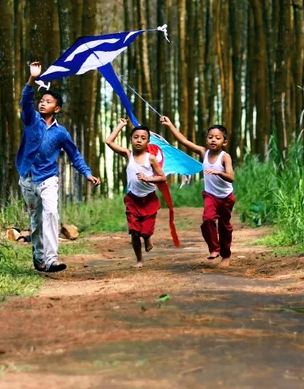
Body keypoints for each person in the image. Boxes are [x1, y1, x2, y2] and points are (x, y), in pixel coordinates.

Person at [17, 61, 101, 273]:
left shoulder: (61, 133)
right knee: (35, 221)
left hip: (48, 178)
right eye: (42, 100)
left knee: (51, 214)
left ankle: (53, 259)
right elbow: (25, 102)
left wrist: (88, 173)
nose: (42, 104)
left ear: (57, 108)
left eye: (48, 101)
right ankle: (39, 257)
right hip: (27, 179)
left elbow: (75, 155)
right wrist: (32, 78)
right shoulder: (31, 120)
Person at [159, 116, 236, 267]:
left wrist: (218, 173)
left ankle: (226, 256)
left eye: (217, 138)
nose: (213, 140)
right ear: (207, 140)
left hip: (226, 197)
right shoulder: (204, 152)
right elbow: (184, 142)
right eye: (210, 137)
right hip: (210, 195)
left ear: (224, 142)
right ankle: (214, 249)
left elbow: (231, 177)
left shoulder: (225, 157)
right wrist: (170, 126)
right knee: (208, 219)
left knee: (224, 226)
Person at [105, 118, 167, 268]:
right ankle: (139, 260)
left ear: (148, 141)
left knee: (145, 232)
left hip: (149, 200)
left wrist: (148, 178)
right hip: (133, 199)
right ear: (131, 139)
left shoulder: (150, 158)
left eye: (143, 138)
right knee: (134, 231)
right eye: (136, 137)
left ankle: (147, 237)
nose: (139, 140)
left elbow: (163, 178)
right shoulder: (128, 154)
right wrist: (120, 125)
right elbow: (109, 142)